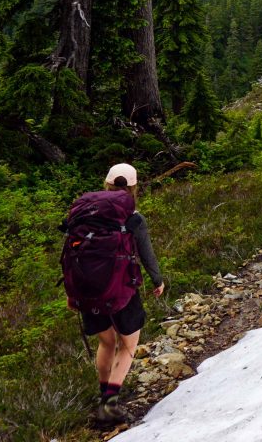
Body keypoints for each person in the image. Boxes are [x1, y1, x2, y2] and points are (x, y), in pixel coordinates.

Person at [85, 162, 165, 426]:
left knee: (106, 343)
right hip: (122, 288)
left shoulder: (85, 214)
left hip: (89, 290)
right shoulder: (134, 218)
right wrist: (157, 279)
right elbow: (146, 253)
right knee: (128, 346)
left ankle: (102, 396)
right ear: (133, 187)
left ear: (106, 184)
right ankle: (109, 405)